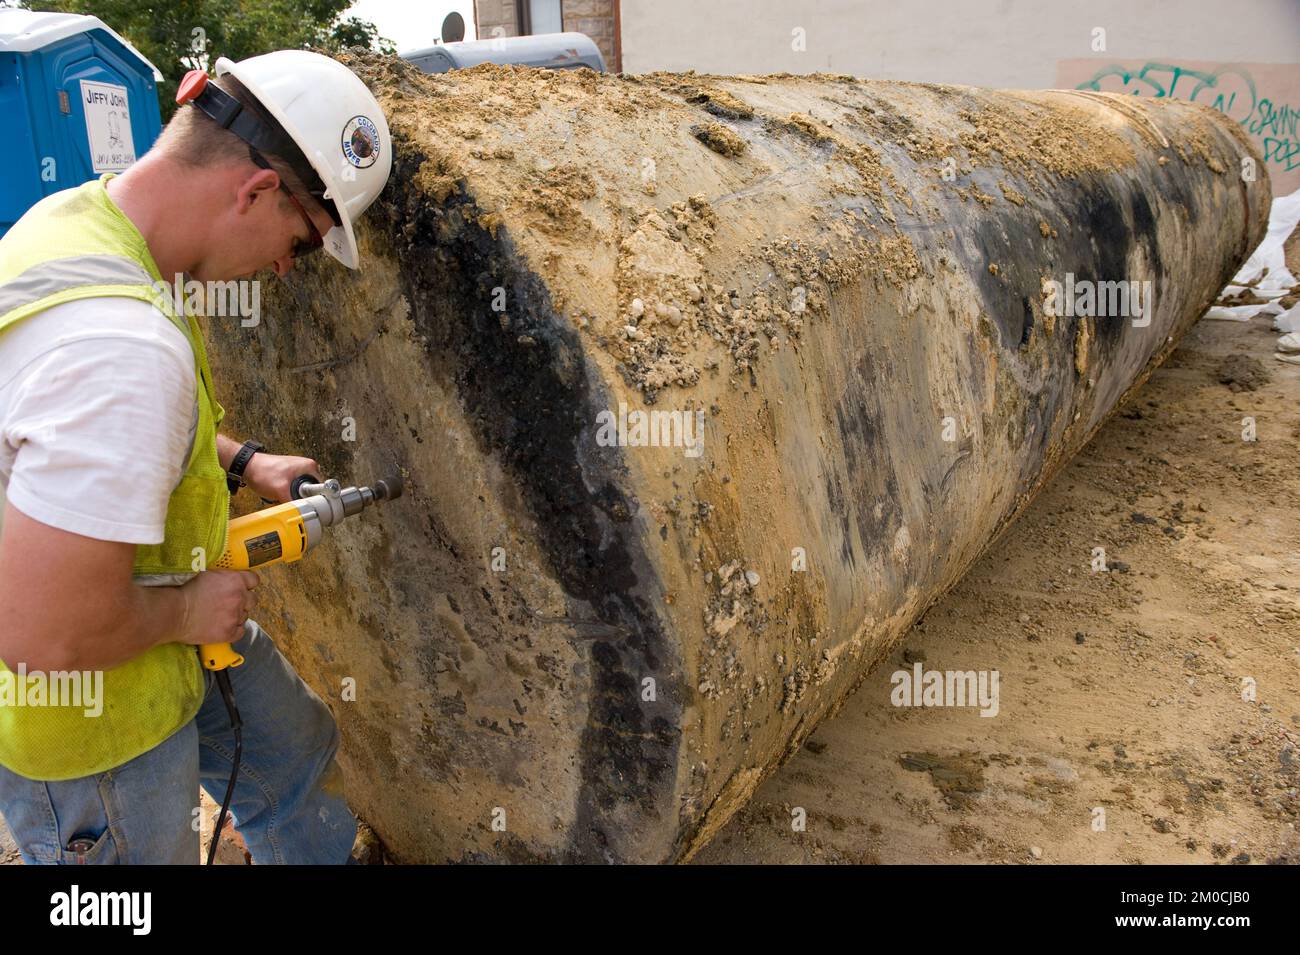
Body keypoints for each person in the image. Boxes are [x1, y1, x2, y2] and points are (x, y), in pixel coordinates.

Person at [0, 49, 393, 864]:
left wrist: (244, 460)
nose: (287, 267)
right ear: (254, 190)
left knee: (290, 752)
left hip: (151, 614)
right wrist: (188, 612)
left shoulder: (79, 220)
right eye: (303, 240)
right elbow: (42, 634)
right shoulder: (124, 347)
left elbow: (92, 424)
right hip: (88, 710)